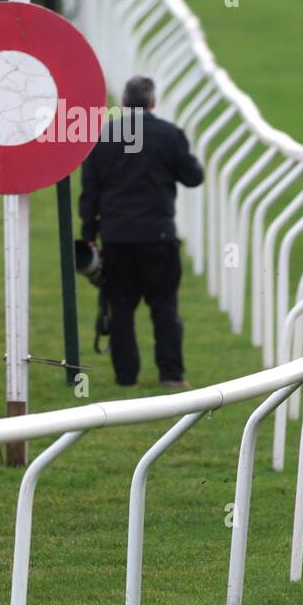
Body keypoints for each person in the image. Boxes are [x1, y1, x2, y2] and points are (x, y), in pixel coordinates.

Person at [78, 77, 205, 388]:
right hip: (158, 235)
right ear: (153, 102)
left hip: (116, 237)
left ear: (123, 102)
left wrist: (89, 234)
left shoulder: (102, 136)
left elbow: (89, 192)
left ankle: (125, 378)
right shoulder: (170, 135)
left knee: (121, 308)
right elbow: (193, 178)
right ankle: (171, 375)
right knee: (164, 306)